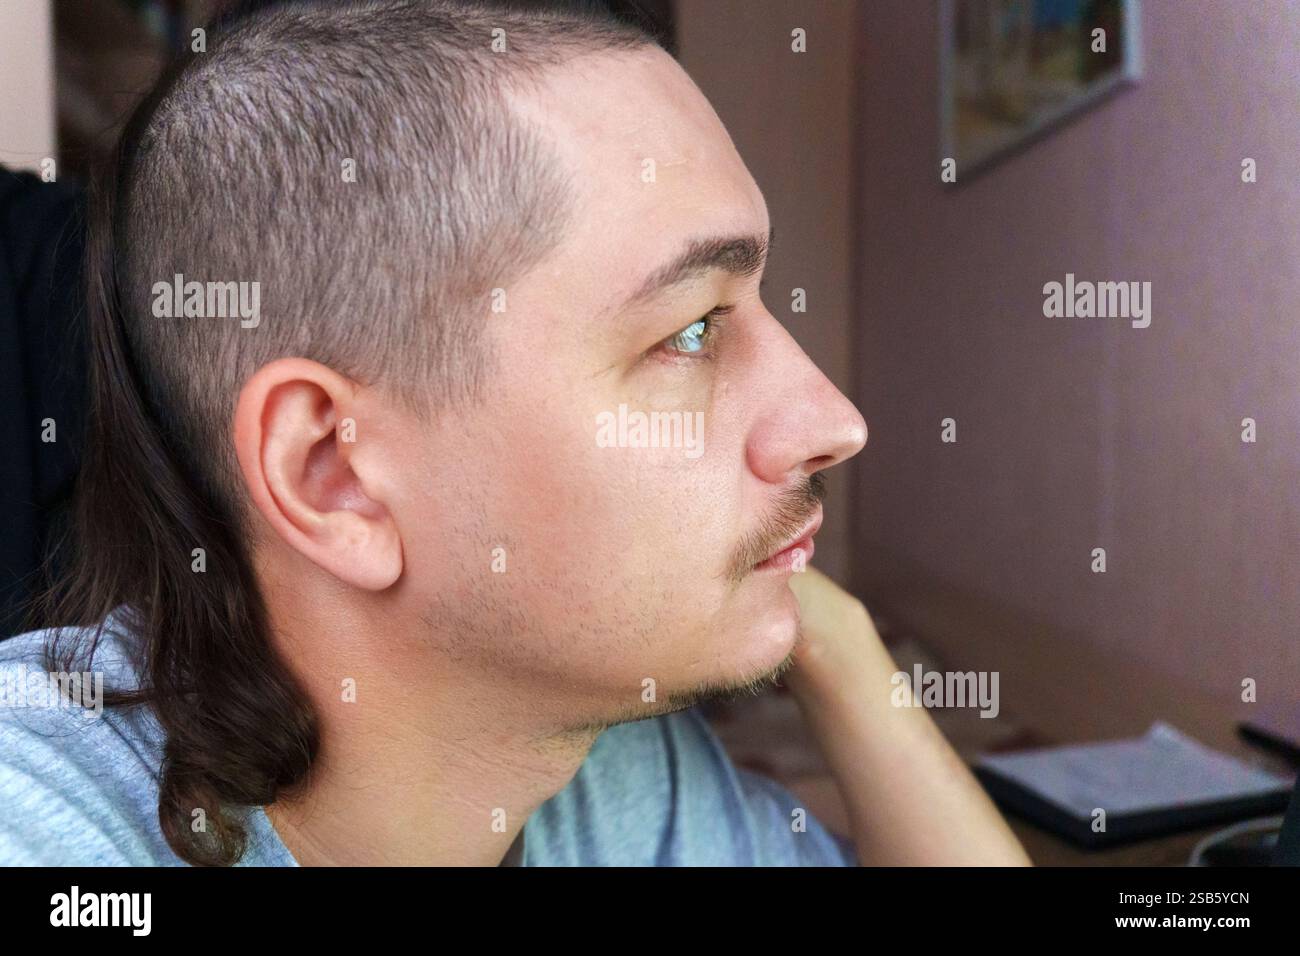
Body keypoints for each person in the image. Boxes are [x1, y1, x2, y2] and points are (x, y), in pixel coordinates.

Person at [0, 0, 1030, 867]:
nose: (836, 421)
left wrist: (840, 648)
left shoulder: (602, 768)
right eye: (692, 329)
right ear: (332, 473)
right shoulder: (43, 820)